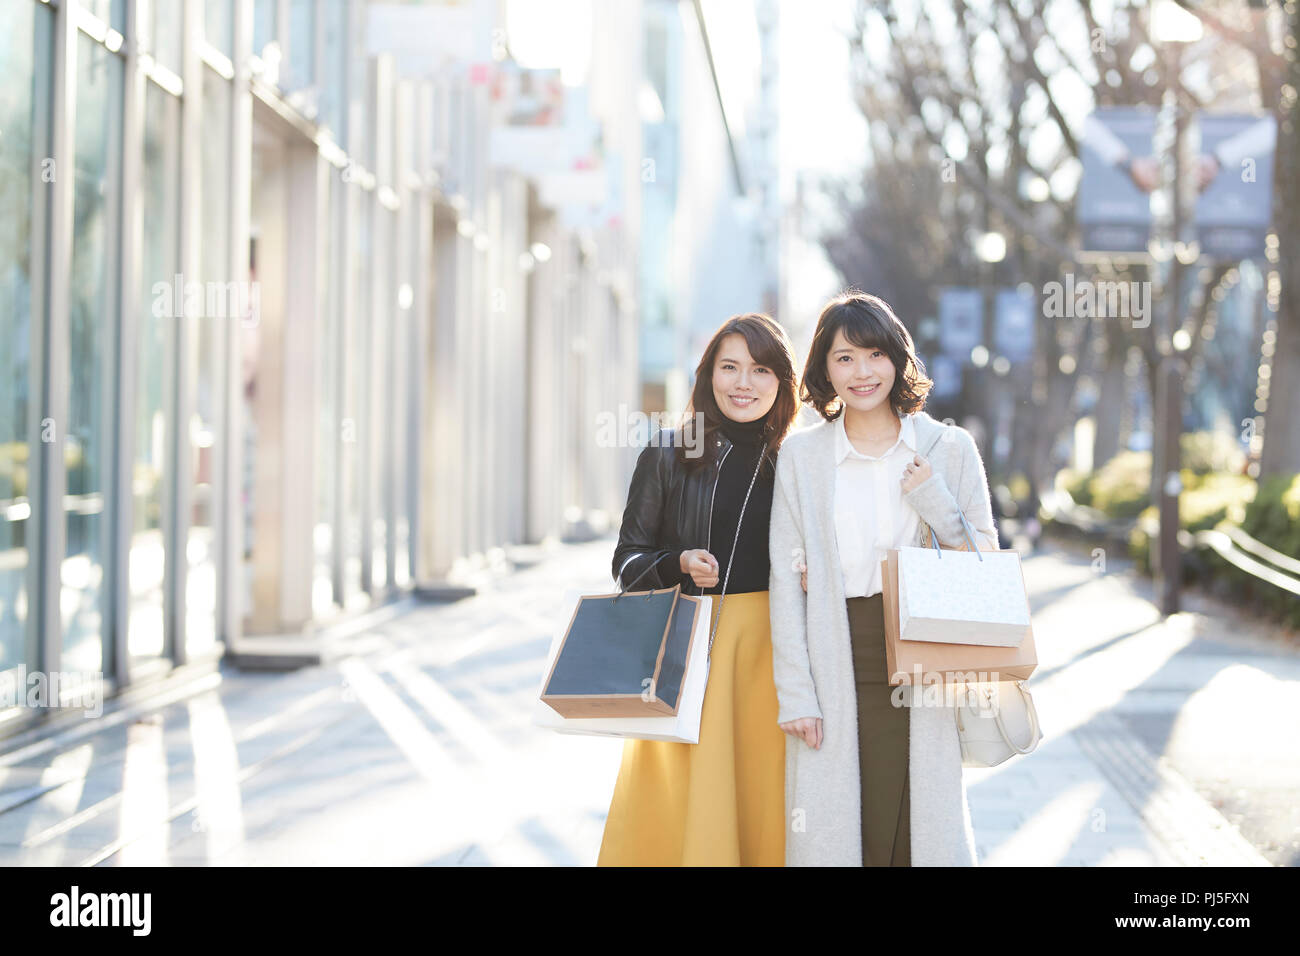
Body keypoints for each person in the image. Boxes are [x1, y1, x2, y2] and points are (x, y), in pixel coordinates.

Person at [768, 291, 998, 867]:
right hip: (836, 651)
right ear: (823, 368)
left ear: (898, 359)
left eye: (874, 354)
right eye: (843, 358)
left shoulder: (949, 449)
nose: (861, 372)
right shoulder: (802, 458)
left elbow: (985, 566)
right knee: (841, 828)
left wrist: (935, 501)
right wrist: (797, 692)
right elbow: (783, 581)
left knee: (919, 823)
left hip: (922, 655)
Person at [598, 313, 801, 866]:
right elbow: (626, 561)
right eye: (729, 366)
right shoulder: (667, 453)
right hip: (689, 650)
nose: (743, 382)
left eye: (760, 369)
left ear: (782, 381)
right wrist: (676, 563)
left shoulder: (798, 463)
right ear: (708, 374)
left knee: (759, 796)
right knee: (684, 801)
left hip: (769, 654)